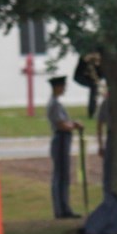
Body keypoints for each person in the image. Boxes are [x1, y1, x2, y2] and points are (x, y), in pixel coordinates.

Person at [47, 75, 84, 218]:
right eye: (62, 86)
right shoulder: (54, 104)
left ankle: (64, 207)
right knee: (61, 175)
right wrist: (74, 125)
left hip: (63, 139)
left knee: (63, 175)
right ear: (57, 87)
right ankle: (61, 209)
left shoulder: (57, 103)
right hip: (61, 139)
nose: (64, 89)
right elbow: (61, 124)